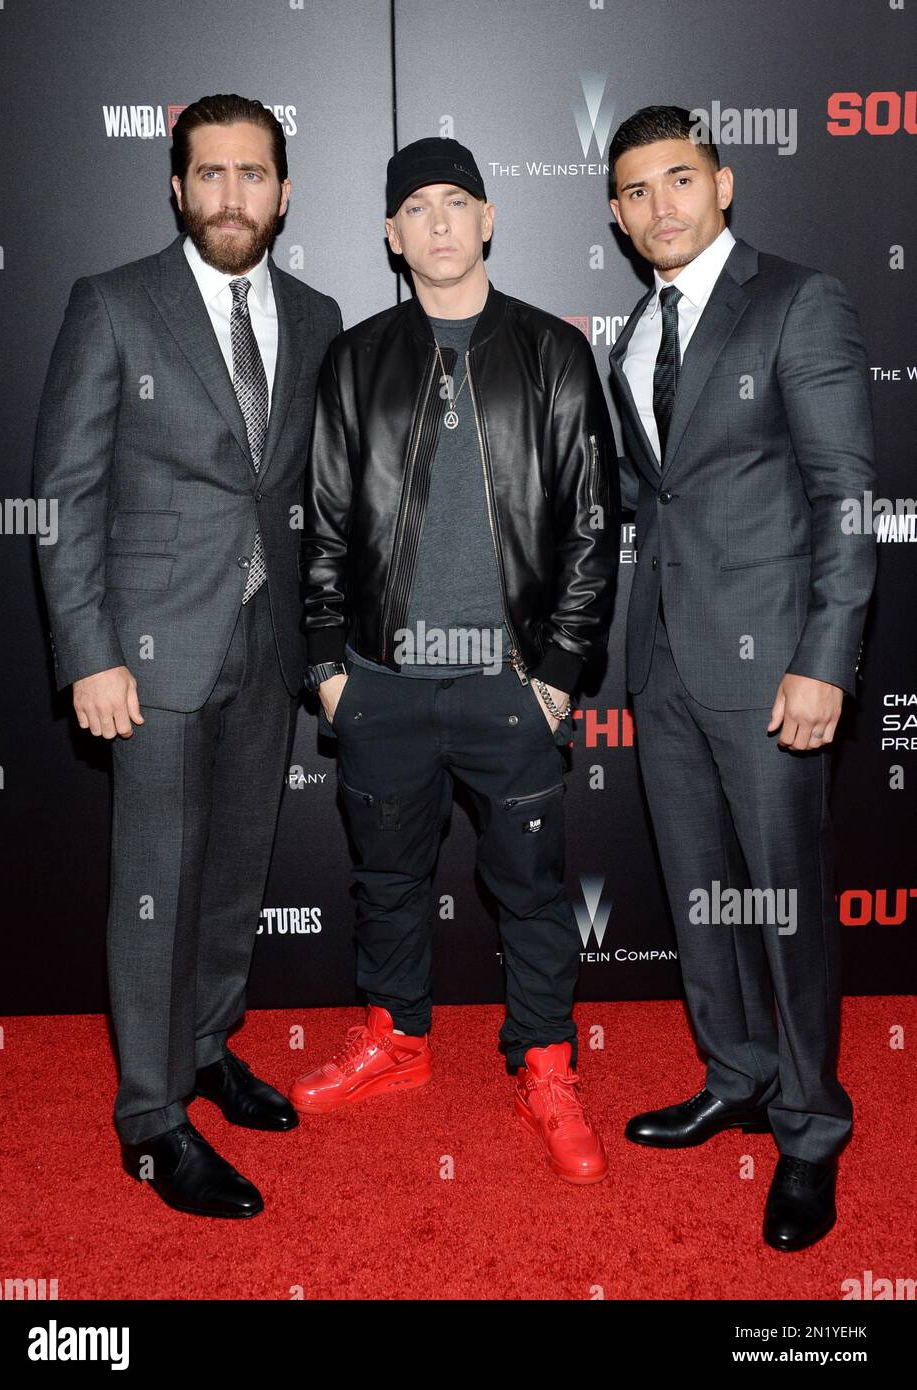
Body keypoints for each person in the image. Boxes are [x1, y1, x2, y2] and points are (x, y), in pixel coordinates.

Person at [32, 93, 341, 1218]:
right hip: (150, 651)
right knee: (156, 885)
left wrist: (320, 640)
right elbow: (62, 497)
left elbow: (305, 491)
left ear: (284, 191)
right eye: (207, 174)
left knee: (233, 872)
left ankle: (208, 1047)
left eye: (252, 175)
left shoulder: (314, 312)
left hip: (263, 647)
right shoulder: (113, 303)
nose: (229, 196)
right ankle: (152, 1118)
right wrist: (90, 652)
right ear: (176, 187)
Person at [293, 136, 620, 1184]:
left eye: (456, 203)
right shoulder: (357, 357)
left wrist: (561, 672)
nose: (438, 222)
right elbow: (328, 523)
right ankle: (397, 1039)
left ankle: (546, 1060)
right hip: (381, 680)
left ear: (488, 220)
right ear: (391, 235)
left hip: (509, 680)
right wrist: (329, 669)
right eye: (416, 208)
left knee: (529, 886)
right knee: (387, 879)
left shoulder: (553, 353)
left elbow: (590, 525)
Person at [606, 105, 877, 1248]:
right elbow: (653, 497)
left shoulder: (797, 301)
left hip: (773, 668)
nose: (659, 206)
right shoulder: (631, 329)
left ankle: (811, 1127)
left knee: (783, 902)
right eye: (634, 191)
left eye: (679, 179)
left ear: (725, 186)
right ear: (616, 215)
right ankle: (736, 1073)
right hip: (664, 661)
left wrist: (826, 662)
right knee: (700, 897)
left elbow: (846, 498)